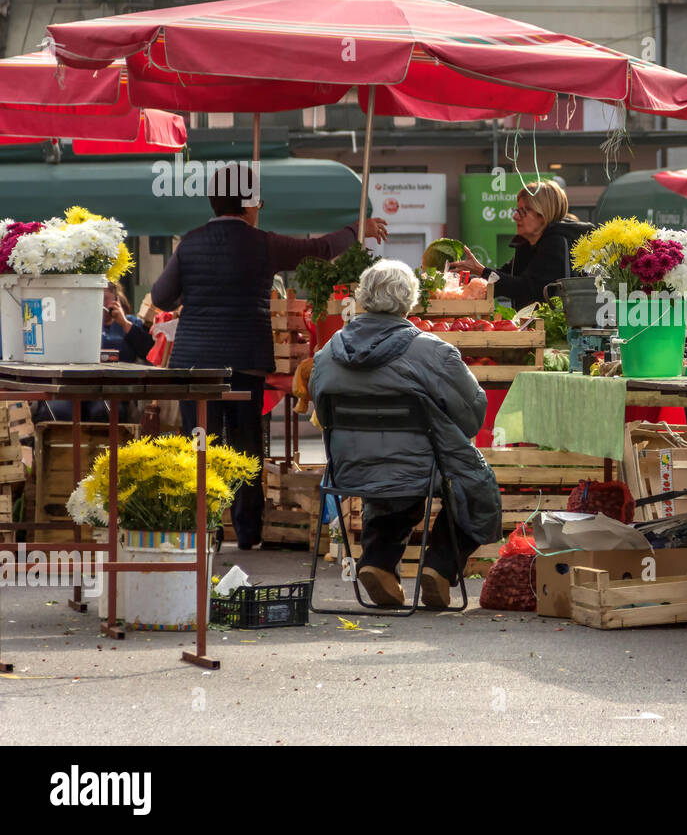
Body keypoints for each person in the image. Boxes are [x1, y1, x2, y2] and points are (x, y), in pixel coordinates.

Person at [150, 164, 389, 550]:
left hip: (193, 365)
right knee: (245, 448)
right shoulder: (262, 243)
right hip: (243, 363)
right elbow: (319, 250)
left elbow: (161, 297)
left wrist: (194, 292)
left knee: (200, 448)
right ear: (248, 204)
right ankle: (248, 535)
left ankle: (201, 531)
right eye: (258, 200)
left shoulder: (190, 243)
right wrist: (357, 229)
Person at [310, 259, 502, 608]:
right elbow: (473, 415)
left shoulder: (326, 356)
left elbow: (322, 415)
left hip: (350, 469)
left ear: (362, 299)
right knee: (473, 487)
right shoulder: (433, 352)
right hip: (417, 468)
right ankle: (440, 567)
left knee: (395, 476)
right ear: (411, 301)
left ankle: (378, 562)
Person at [449, 180, 594, 308]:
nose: (515, 216)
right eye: (516, 210)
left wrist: (481, 271)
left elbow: (527, 287)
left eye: (523, 211)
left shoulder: (555, 243)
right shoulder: (528, 244)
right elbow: (505, 277)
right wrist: (461, 280)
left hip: (552, 331)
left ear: (542, 214)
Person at [32, 282, 154, 425]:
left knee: (104, 412)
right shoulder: (77, 323)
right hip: (74, 388)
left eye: (105, 298)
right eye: (95, 298)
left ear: (117, 301)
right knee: (56, 412)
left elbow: (149, 352)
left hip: (111, 390)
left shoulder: (130, 323)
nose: (99, 303)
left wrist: (123, 322)